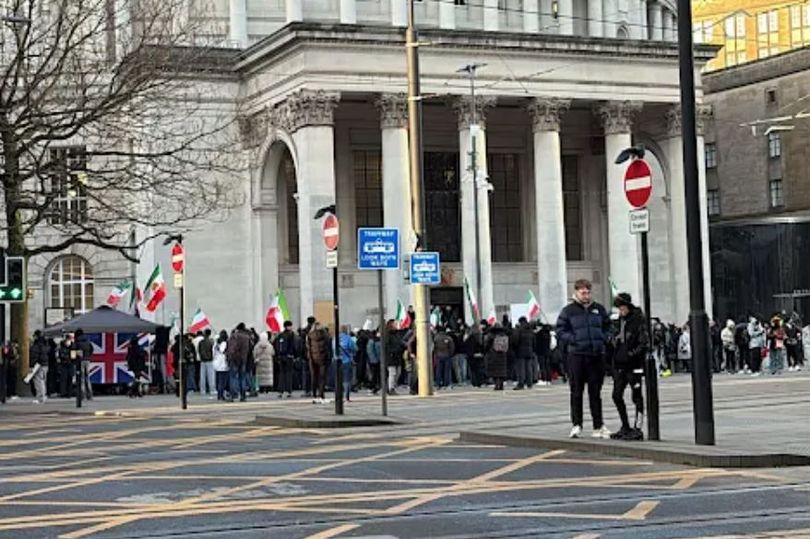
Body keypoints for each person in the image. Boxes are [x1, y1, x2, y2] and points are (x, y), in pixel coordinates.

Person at [556, 278, 611, 439]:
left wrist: (604, 338)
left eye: (588, 292)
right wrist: (573, 339)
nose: (586, 295)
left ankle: (598, 425)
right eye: (583, 293)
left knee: (595, 393)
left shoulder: (598, 309)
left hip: (596, 354)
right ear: (576, 292)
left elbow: (608, 326)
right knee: (576, 392)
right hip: (577, 355)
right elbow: (560, 330)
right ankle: (577, 424)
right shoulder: (568, 310)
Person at [610, 293, 648, 441]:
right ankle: (625, 426)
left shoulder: (638, 320)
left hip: (634, 365)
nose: (621, 310)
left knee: (636, 396)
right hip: (620, 365)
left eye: (622, 307)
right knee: (616, 395)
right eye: (619, 308)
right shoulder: (619, 321)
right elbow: (616, 338)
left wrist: (631, 355)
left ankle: (637, 428)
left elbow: (643, 343)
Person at [226, 324, 251, 401]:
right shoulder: (247, 337)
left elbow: (231, 349)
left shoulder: (234, 336)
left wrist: (229, 357)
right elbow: (250, 349)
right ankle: (243, 396)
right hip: (243, 360)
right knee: (242, 378)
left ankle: (233, 395)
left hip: (234, 360)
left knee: (233, 377)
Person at [511, 317, 535, 390]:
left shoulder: (519, 330)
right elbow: (534, 342)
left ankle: (521, 383)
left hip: (520, 351)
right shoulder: (530, 330)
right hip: (529, 351)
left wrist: (514, 349)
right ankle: (529, 383)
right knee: (529, 368)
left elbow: (515, 341)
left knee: (521, 368)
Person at [274, 321, 296, 398]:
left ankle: (280, 391)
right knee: (289, 374)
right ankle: (289, 391)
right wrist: (293, 355)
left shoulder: (280, 335)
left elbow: (276, 346)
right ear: (288, 326)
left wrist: (278, 356)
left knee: (282, 374)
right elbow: (293, 346)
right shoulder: (291, 335)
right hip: (289, 357)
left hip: (281, 357)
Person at [72, 329, 94, 401]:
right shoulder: (88, 341)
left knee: (81, 379)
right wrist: (88, 356)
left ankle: (83, 395)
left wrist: (74, 360)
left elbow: (73, 352)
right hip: (87, 360)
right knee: (87, 378)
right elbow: (91, 349)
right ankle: (90, 395)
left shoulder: (77, 342)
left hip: (80, 361)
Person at [485, 324, 509, 391]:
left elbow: (487, 345)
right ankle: (501, 385)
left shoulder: (491, 335)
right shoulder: (504, 335)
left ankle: (496, 385)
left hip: (493, 354)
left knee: (495, 371)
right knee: (501, 370)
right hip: (502, 354)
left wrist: (486, 351)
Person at [336, 325, 356, 402]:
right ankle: (346, 396)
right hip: (347, 360)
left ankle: (338, 396)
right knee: (347, 379)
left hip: (337, 361)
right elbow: (354, 348)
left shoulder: (335, 339)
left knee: (338, 379)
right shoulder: (348, 338)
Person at [30, 331, 49, 404]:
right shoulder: (45, 345)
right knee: (43, 381)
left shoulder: (36, 346)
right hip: (45, 364)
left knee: (38, 381)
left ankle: (40, 397)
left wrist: (32, 365)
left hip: (38, 365)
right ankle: (43, 396)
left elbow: (34, 356)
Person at [197, 329, 216, 397]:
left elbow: (199, 350)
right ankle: (212, 389)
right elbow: (213, 351)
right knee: (211, 376)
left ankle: (203, 390)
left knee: (202, 376)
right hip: (210, 360)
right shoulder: (211, 342)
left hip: (202, 360)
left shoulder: (201, 342)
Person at [212, 330, 230, 400]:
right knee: (222, 381)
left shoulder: (215, 344)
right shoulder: (224, 343)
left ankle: (219, 394)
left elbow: (213, 353)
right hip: (223, 364)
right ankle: (221, 395)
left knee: (219, 380)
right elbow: (223, 351)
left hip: (216, 363)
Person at [366, 330, 381, 394]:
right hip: (374, 361)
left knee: (377, 375)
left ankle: (375, 387)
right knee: (374, 375)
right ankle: (372, 387)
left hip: (378, 360)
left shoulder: (377, 340)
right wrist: (374, 360)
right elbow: (370, 352)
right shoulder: (372, 341)